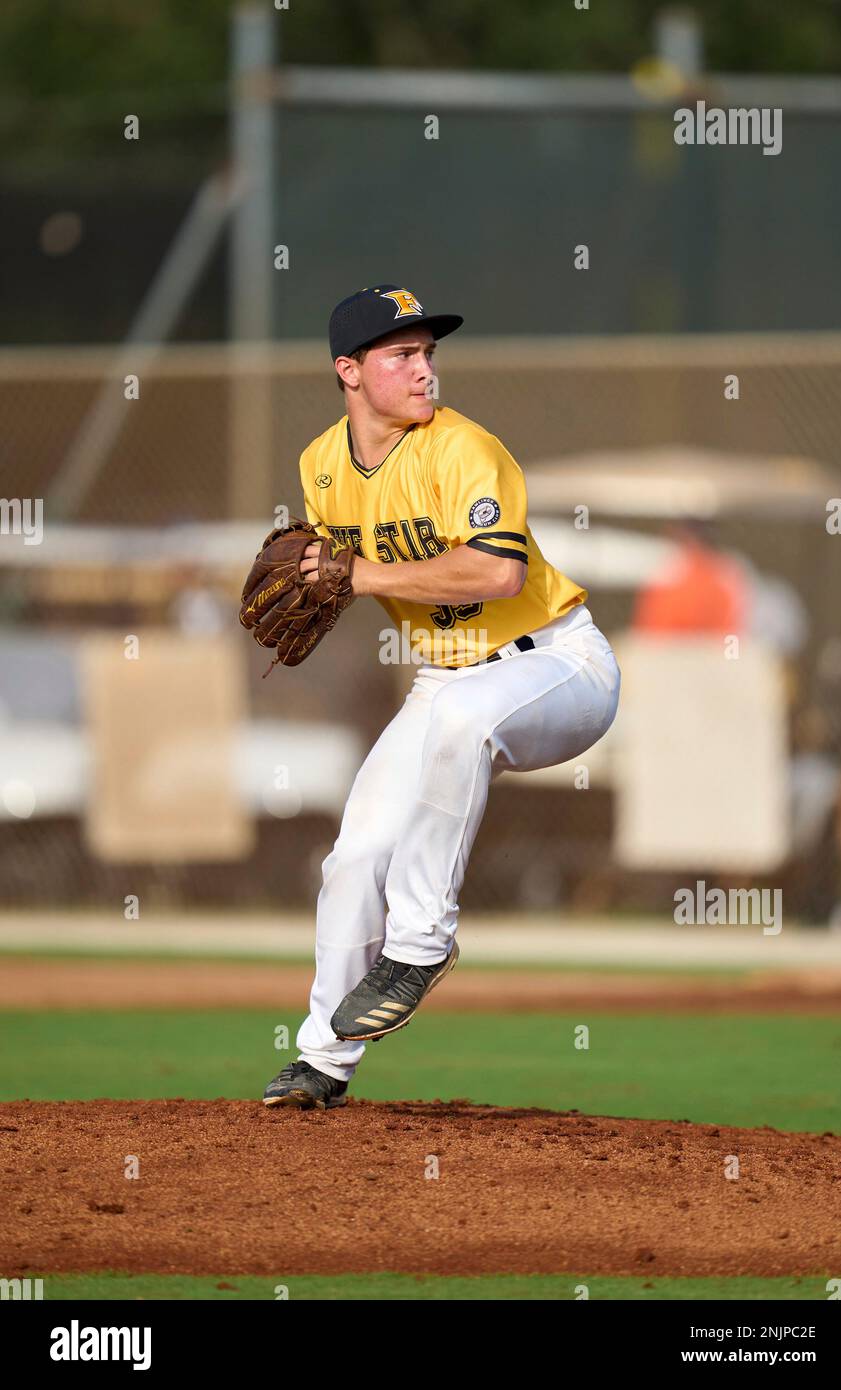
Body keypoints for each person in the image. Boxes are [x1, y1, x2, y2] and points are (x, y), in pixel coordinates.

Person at [263, 284, 621, 1110]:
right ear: (349, 372)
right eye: (403, 355)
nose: (425, 370)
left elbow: (499, 571)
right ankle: (322, 1061)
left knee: (465, 717)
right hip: (449, 676)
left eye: (428, 353)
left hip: (559, 666)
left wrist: (356, 575)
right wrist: (323, 582)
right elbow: (335, 573)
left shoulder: (464, 448)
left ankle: (420, 945)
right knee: (353, 858)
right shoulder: (321, 466)